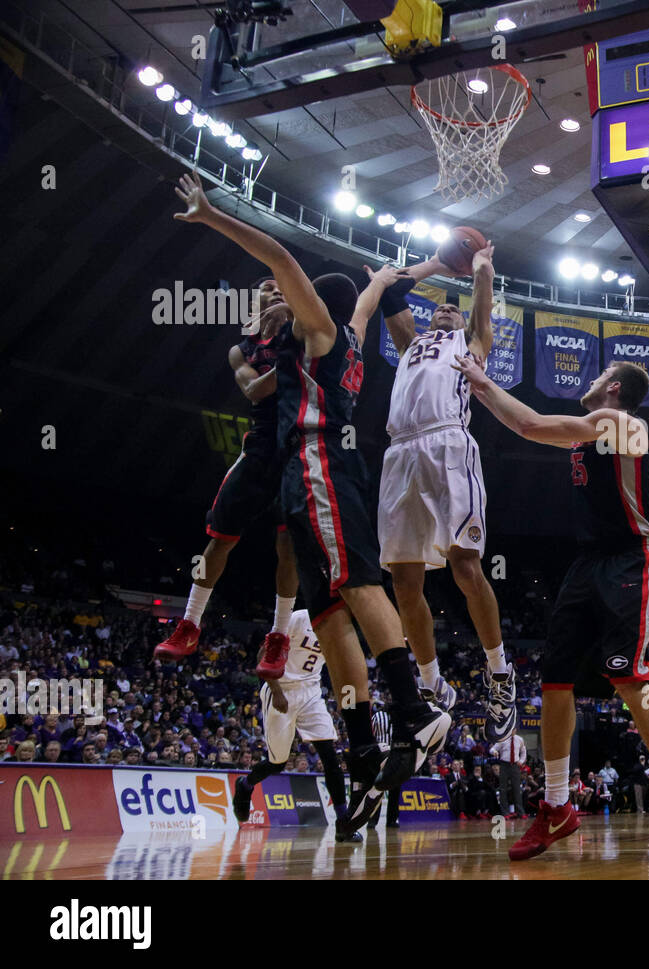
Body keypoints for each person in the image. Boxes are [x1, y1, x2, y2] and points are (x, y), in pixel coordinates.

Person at [170, 173, 450, 836]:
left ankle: (416, 709)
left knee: (356, 583)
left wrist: (213, 217)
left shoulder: (320, 329)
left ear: (309, 309)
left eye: (293, 304)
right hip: (307, 470)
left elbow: (282, 261)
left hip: (322, 459)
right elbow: (373, 291)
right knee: (326, 616)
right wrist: (409, 270)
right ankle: (362, 748)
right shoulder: (343, 330)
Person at [449, 354, 649, 858]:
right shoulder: (592, 431)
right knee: (554, 682)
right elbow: (537, 427)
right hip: (588, 563)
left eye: (598, 375)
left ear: (613, 387)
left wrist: (483, 384)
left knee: (631, 678)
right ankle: (557, 805)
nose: (589, 382)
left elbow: (529, 424)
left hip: (631, 559)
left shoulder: (618, 422)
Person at [374, 246, 516, 741]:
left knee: (464, 564)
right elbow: (391, 290)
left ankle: (500, 673)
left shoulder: (470, 342)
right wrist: (436, 260)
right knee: (404, 581)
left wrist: (481, 270)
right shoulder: (409, 342)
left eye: (451, 309)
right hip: (400, 453)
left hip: (448, 445)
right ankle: (433, 685)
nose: (445, 310)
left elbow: (482, 306)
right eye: (439, 307)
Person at [154, 276, 299, 676]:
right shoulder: (242, 350)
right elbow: (256, 392)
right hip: (259, 449)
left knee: (288, 547)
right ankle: (189, 624)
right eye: (269, 286)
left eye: (283, 287)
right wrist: (290, 357)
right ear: (255, 302)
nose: (278, 288)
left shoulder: (305, 331)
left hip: (299, 448)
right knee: (218, 540)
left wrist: (295, 329)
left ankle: (279, 636)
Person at [232, 609, 359, 842]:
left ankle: (344, 822)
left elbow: (339, 665)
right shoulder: (297, 618)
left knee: (330, 757)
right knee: (277, 762)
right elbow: (263, 654)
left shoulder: (340, 624)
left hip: (311, 691)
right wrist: (277, 690)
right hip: (280, 688)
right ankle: (245, 784)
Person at [491, 730, 527, 818]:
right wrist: (494, 752)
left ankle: (520, 812)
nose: (512, 731)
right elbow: (492, 749)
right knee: (503, 789)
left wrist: (521, 761)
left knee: (517, 789)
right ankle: (505, 813)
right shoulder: (502, 739)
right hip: (504, 765)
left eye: (514, 729)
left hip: (515, 765)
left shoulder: (519, 739)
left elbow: (523, 751)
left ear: (515, 730)